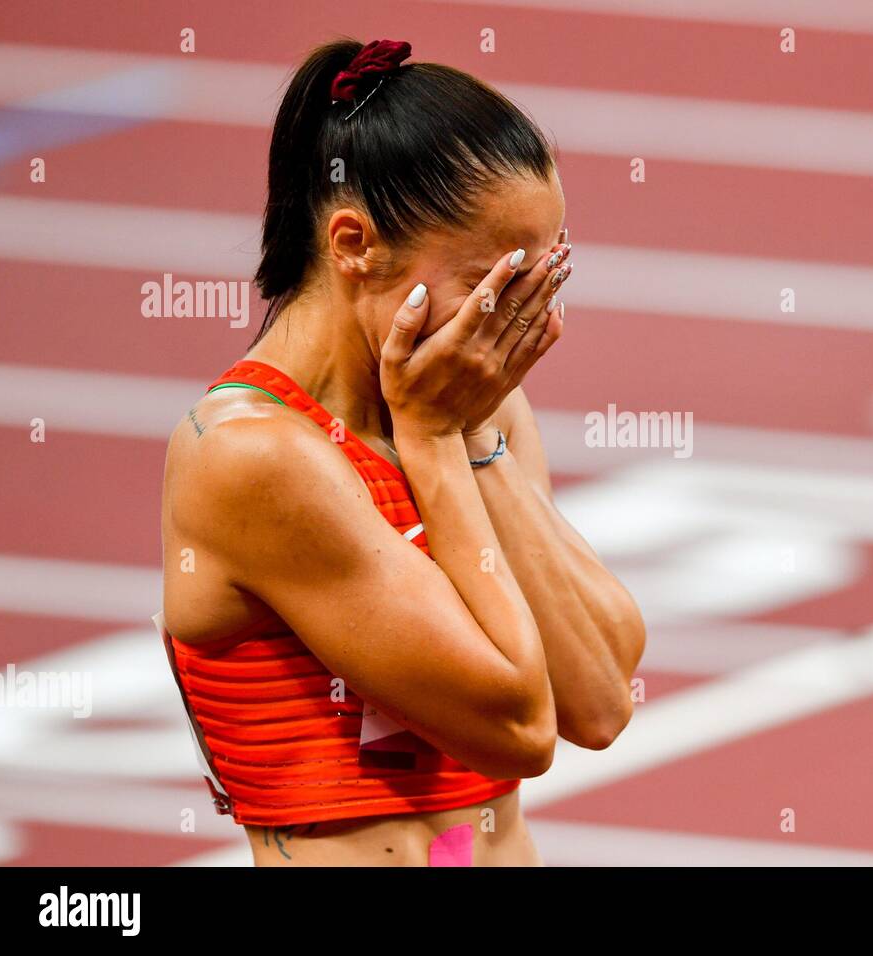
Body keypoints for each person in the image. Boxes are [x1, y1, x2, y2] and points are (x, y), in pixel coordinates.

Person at [158, 38, 645, 866]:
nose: (521, 324)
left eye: (544, 283)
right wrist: (432, 438)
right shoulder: (251, 457)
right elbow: (519, 727)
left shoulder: (476, 411)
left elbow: (597, 701)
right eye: (496, 286)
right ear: (353, 244)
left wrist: (470, 435)